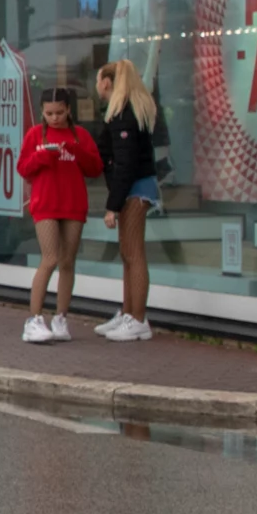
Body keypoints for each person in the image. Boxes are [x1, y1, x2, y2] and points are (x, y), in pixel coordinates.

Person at [16, 87, 99, 343]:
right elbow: (23, 168)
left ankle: (61, 317)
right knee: (49, 258)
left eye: (60, 113)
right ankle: (34, 319)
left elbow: (95, 168)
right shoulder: (34, 135)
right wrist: (42, 156)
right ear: (42, 111)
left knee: (67, 262)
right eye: (50, 113)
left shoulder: (81, 135)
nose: (55, 118)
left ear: (69, 110)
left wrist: (75, 151)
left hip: (73, 203)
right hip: (45, 203)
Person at [94, 58, 159, 340]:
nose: (97, 86)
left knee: (133, 254)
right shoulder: (127, 111)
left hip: (136, 190)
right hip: (137, 187)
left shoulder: (124, 115)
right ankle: (129, 313)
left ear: (106, 82)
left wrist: (113, 205)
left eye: (98, 81)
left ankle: (137, 319)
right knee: (128, 255)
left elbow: (125, 163)